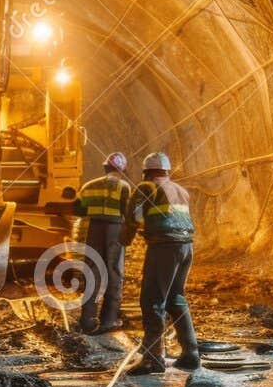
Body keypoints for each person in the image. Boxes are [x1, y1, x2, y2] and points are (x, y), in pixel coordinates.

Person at [121, 152, 199, 374]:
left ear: (146, 171)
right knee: (176, 297)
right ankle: (191, 354)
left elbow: (134, 218)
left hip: (163, 247)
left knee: (152, 300)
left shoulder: (145, 188)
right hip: (186, 247)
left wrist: (123, 241)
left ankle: (152, 359)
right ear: (167, 171)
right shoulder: (181, 190)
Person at [73, 152, 133, 334]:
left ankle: (87, 320)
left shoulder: (88, 186)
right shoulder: (124, 186)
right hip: (115, 230)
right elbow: (128, 213)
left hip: (94, 229)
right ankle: (109, 319)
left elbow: (78, 210)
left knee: (93, 273)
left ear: (105, 167)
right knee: (114, 273)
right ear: (122, 170)